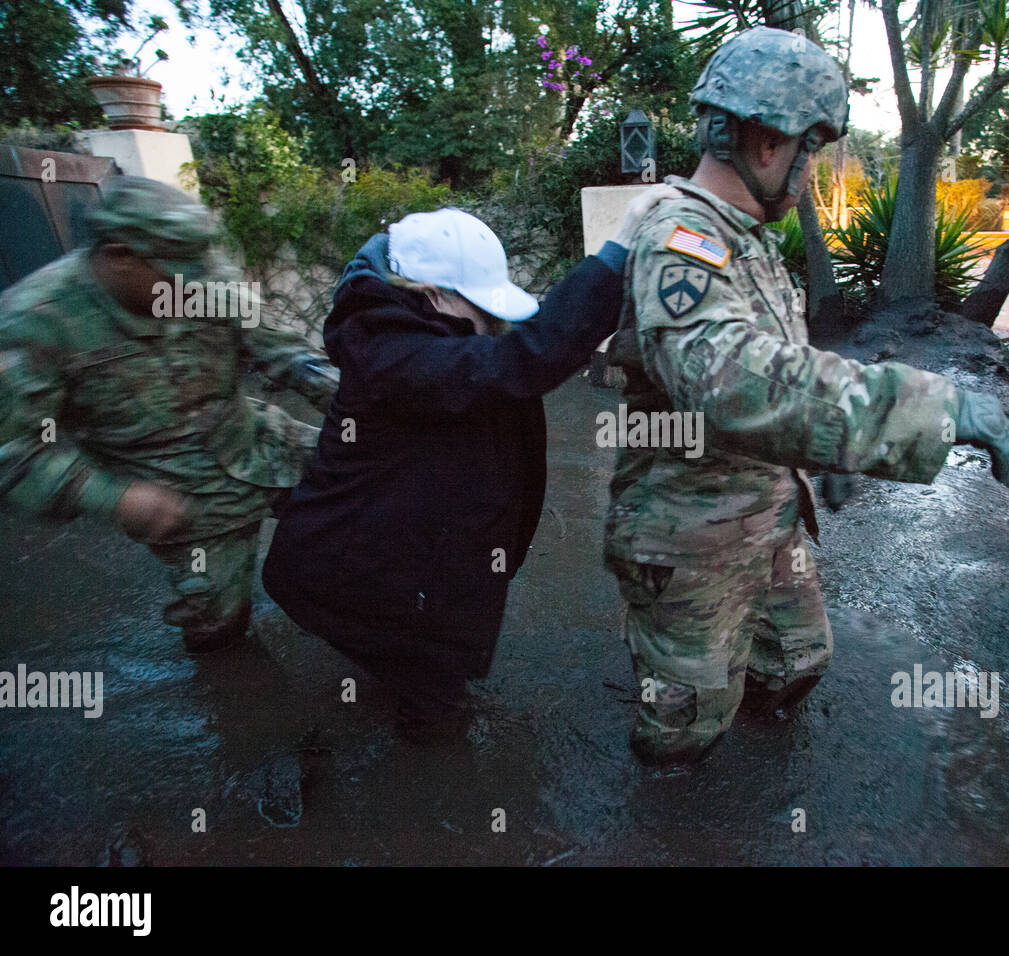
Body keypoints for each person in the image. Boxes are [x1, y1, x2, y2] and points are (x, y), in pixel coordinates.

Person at [604, 27, 1009, 766]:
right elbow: (729, 380)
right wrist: (932, 409)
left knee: (795, 663)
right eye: (812, 151)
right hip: (689, 535)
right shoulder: (681, 240)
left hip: (767, 513)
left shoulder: (746, 236)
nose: (809, 171)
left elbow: (783, 361)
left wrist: (821, 444)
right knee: (684, 728)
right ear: (769, 141)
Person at [261, 187, 680, 743]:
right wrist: (617, 251)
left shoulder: (417, 336)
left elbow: (512, 361)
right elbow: (520, 362)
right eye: (478, 306)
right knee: (434, 705)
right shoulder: (393, 352)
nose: (490, 320)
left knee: (420, 661)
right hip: (347, 579)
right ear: (431, 295)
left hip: (384, 559)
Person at [0, 177, 337, 653]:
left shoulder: (202, 275)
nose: (193, 287)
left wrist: (351, 398)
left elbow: (283, 353)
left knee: (369, 493)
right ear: (120, 255)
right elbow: (13, 456)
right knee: (220, 623)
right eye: (175, 275)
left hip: (260, 441)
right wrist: (114, 498)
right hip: (177, 495)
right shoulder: (32, 322)